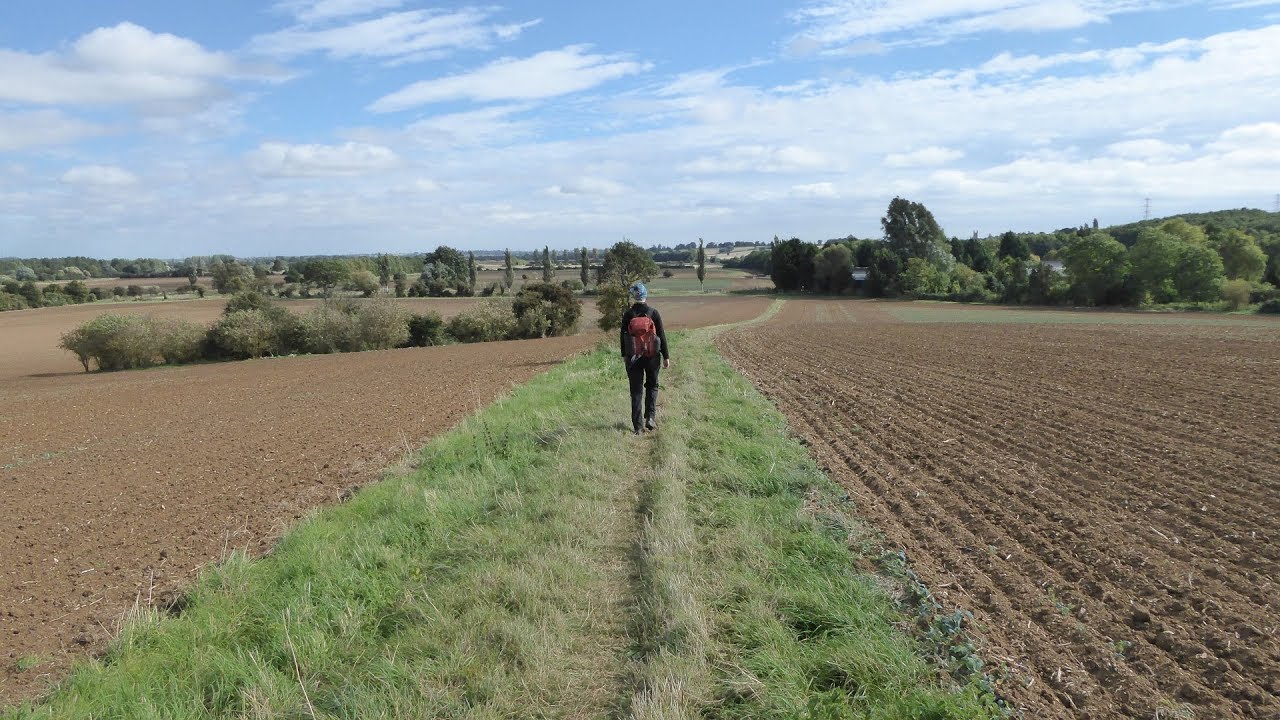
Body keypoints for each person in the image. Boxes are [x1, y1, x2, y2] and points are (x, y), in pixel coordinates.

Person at [620, 282, 670, 434]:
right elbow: (661, 335)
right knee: (652, 386)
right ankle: (650, 417)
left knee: (636, 391)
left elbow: (623, 337)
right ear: (645, 295)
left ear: (633, 297)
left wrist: (624, 355)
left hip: (633, 358)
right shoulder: (653, 313)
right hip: (652, 356)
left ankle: (638, 427)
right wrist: (666, 356)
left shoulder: (628, 315)